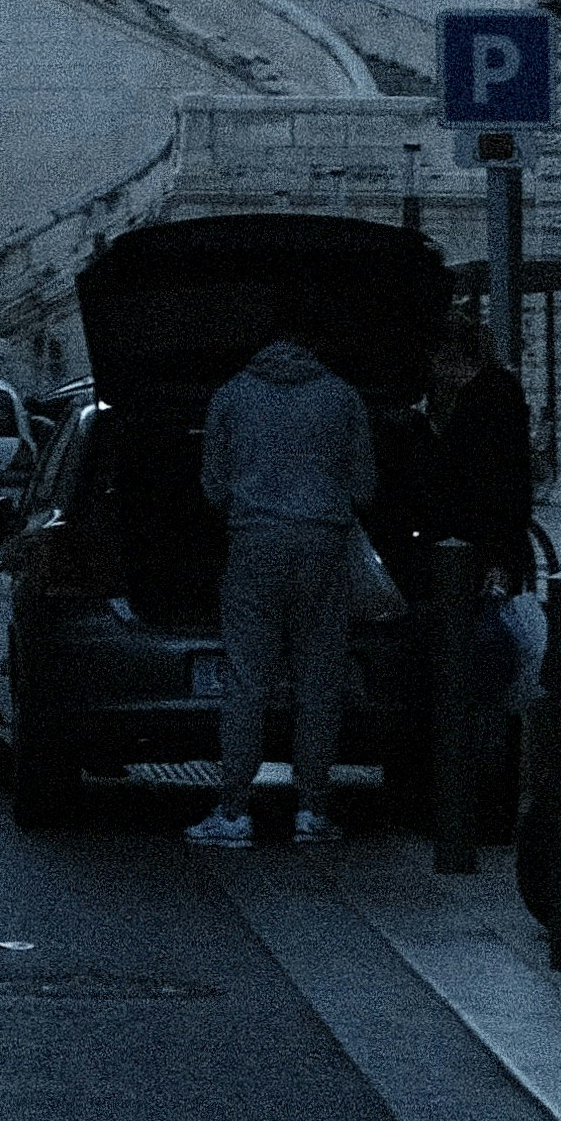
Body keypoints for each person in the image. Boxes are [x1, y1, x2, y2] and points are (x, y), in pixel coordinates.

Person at [193, 305, 377, 848]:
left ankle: (232, 811)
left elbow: (212, 487)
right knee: (319, 680)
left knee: (247, 679)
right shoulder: (343, 397)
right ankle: (312, 809)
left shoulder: (231, 394)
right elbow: (365, 486)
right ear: (312, 347)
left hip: (254, 544)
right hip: (324, 545)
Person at [423, 307, 540, 595]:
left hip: (484, 535)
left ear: (447, 354)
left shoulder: (483, 398)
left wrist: (498, 557)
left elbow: (497, 478)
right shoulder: (495, 389)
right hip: (489, 534)